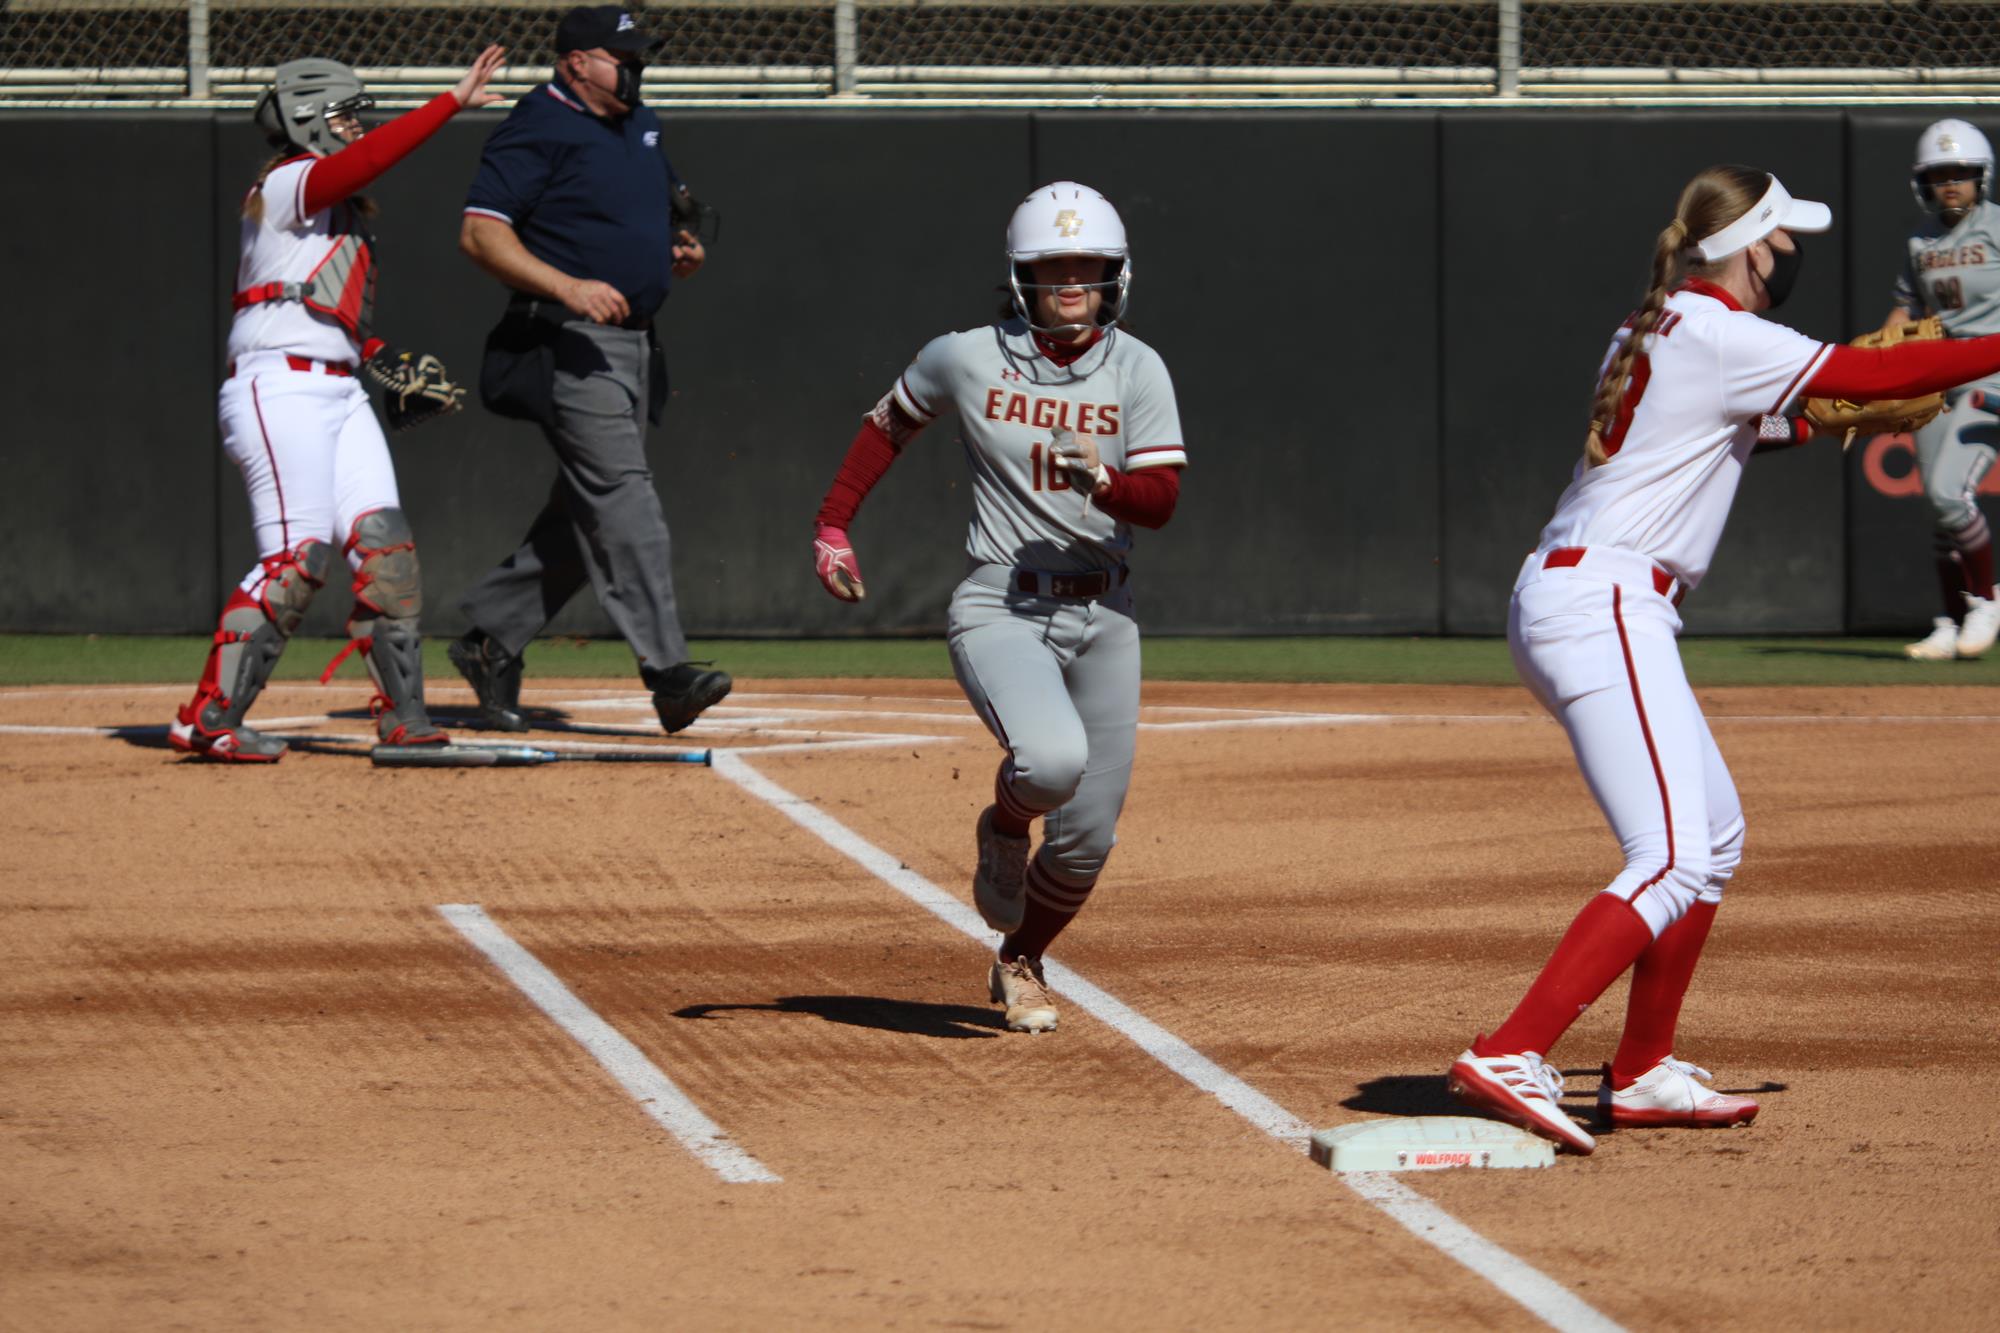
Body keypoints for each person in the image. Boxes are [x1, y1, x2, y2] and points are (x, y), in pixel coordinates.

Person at [1445, 165, 2000, 1154]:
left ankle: (1642, 1069)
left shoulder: (1663, 324)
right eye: (1783, 240)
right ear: (1748, 247)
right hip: (1602, 598)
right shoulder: (1716, 332)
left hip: (1592, 594)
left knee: (1712, 834)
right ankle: (1512, 1047)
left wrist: (1833, 405)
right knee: (1666, 855)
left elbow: (1762, 422)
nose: (1789, 256)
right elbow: (1861, 379)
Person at [809, 182, 1187, 1033]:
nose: (1070, 282)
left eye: (1087, 267)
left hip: (1108, 612)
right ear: (1021, 276)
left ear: (1114, 276)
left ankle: (1022, 960)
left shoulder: (1138, 367)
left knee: (1089, 837)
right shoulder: (968, 355)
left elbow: (1160, 499)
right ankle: (1006, 822)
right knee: (1050, 764)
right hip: (1003, 600)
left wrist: (1105, 479)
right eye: (1052, 267)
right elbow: (885, 425)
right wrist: (833, 524)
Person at [170, 48, 508, 762]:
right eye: (342, 115)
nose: (355, 127)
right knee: (297, 559)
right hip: (278, 386)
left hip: (336, 387)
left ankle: (405, 719)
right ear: (305, 119)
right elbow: (362, 164)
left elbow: (324, 307)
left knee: (386, 550)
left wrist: (378, 353)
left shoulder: (336, 211)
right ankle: (208, 716)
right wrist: (448, 101)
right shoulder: (292, 180)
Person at [448, 4, 729, 735]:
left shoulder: (640, 124)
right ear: (576, 62)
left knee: (587, 515)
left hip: (635, 343)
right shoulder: (537, 124)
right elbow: (480, 234)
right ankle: (668, 672)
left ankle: (489, 636)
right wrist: (566, 284)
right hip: (568, 341)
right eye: (621, 56)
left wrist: (680, 252)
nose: (635, 67)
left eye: (639, 56)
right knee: (625, 500)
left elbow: (665, 218)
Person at [1881, 119, 2000, 660]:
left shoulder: (1997, 226)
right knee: (1937, 506)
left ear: (1982, 176)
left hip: (1991, 371)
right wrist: (1889, 337)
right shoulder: (1920, 240)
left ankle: (1987, 601)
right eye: (1939, 174)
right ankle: (1950, 621)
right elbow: (1907, 306)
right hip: (1937, 375)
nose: (1950, 183)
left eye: (1960, 173)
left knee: (1949, 493)